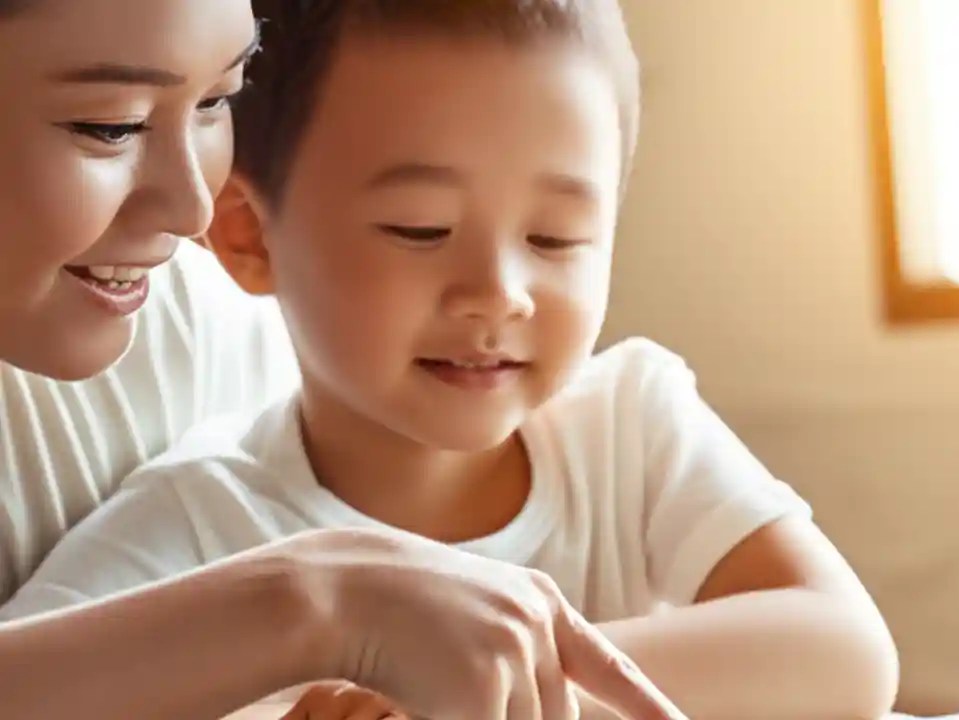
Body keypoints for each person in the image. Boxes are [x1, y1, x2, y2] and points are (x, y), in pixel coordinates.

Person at [2, 1, 901, 719]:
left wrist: (476, 687)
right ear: (247, 235)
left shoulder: (627, 421)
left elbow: (847, 650)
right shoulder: (196, 522)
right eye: (420, 230)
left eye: (557, 237)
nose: (498, 292)